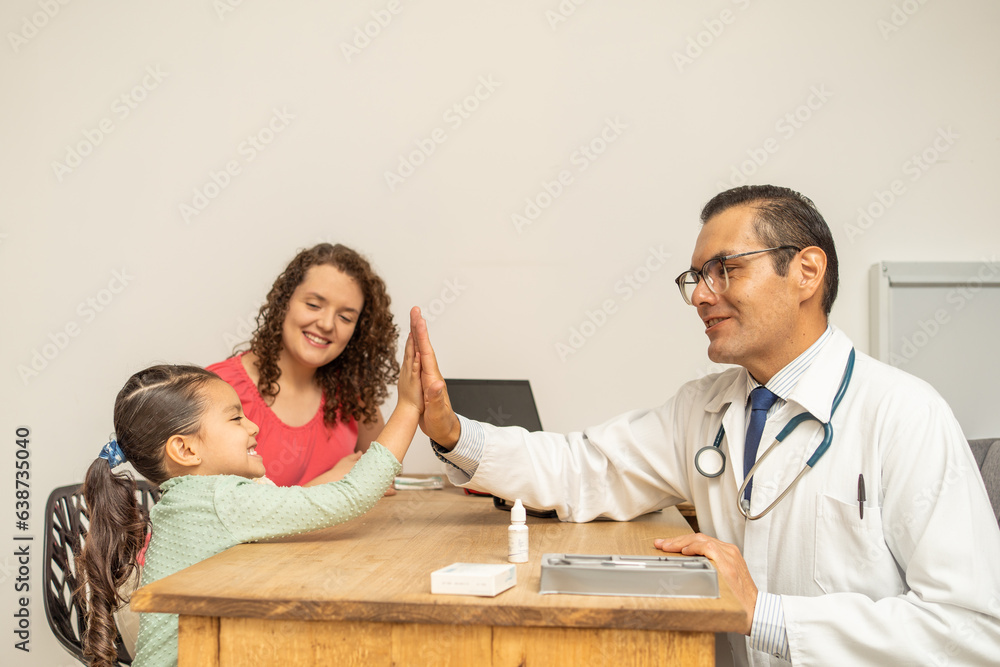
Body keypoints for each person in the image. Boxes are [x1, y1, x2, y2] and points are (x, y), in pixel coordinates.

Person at [410, 185, 1000, 666]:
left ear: (806, 271)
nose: (701, 296)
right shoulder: (705, 408)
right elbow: (581, 468)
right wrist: (452, 431)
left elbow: (974, 631)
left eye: (724, 270)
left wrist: (766, 614)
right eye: (696, 277)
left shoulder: (903, 414)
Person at [77, 331, 423, 667]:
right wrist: (408, 406)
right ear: (185, 448)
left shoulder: (191, 497)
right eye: (235, 417)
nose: (253, 426)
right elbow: (352, 496)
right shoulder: (221, 499)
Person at [207, 243, 400, 487]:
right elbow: (211, 509)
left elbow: (384, 481)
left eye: (345, 317)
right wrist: (328, 487)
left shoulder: (354, 397)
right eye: (313, 305)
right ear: (284, 303)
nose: (327, 324)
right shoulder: (217, 389)